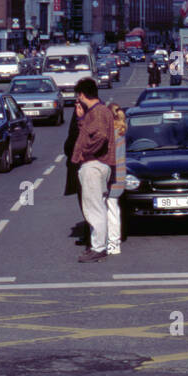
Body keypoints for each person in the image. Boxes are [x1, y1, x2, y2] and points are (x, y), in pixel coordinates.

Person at [70, 78, 121, 262]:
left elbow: (99, 136)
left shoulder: (98, 112)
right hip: (97, 164)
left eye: (79, 96)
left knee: (94, 209)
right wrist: (81, 118)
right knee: (96, 207)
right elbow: (91, 133)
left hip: (94, 165)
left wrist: (85, 153)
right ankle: (97, 244)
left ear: (83, 95)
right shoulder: (97, 111)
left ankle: (98, 247)